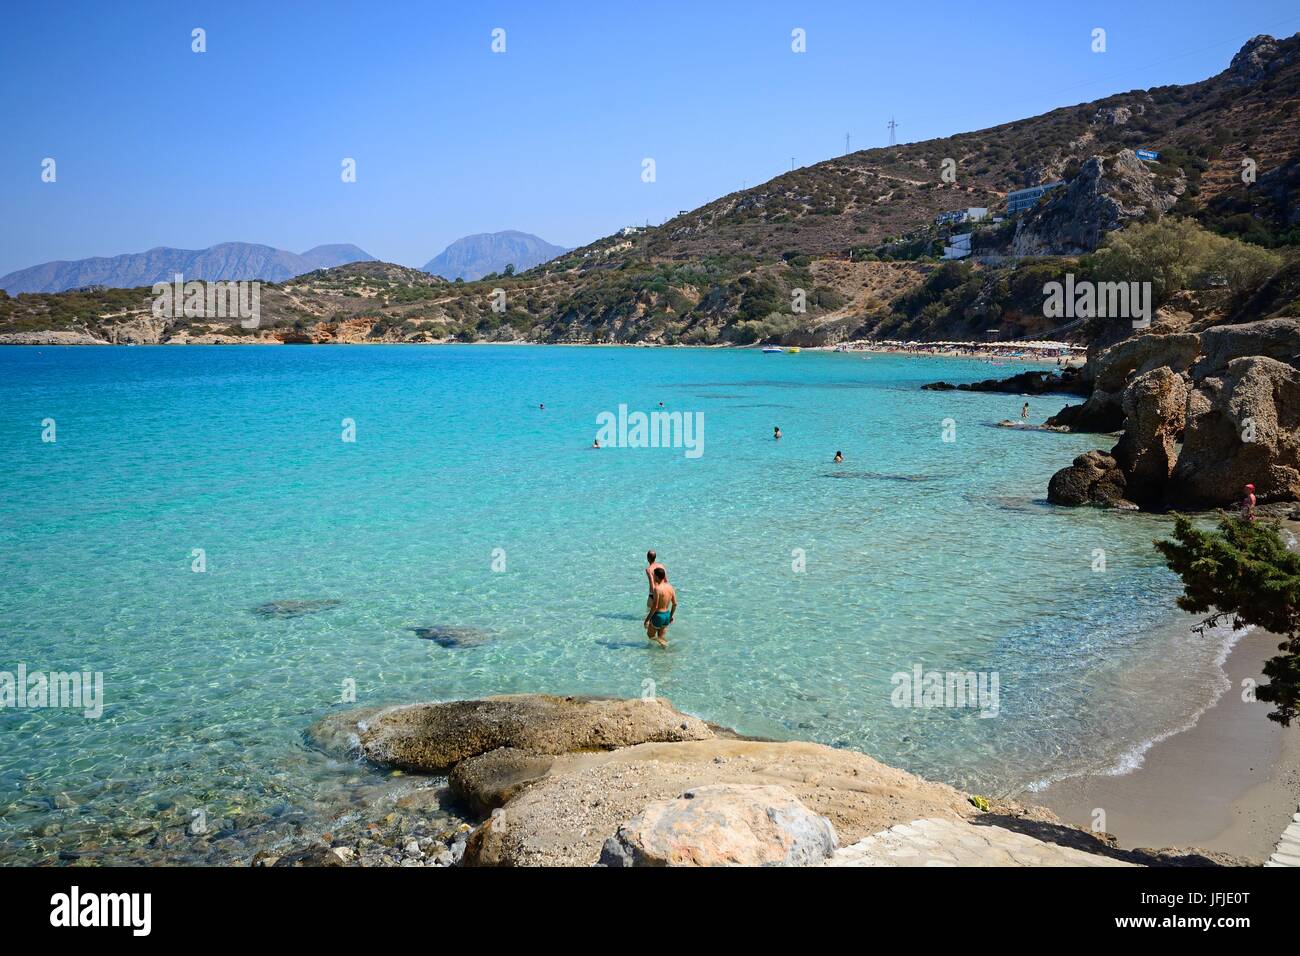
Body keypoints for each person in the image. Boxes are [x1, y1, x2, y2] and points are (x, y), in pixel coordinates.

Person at [644, 566, 676, 648]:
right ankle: (664, 653)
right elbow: (675, 604)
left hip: (658, 616)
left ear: (657, 577)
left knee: (650, 636)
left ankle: (663, 643)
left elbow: (655, 606)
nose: (653, 577)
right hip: (667, 615)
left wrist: (647, 620)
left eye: (654, 575)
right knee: (661, 636)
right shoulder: (670, 587)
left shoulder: (657, 589)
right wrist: (671, 616)